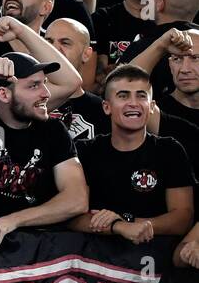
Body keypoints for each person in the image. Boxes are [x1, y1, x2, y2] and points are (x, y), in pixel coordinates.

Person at [0, 49, 87, 250]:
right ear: (4, 94)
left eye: (44, 83)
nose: (45, 93)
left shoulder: (53, 130)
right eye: (34, 86)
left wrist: (13, 220)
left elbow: (76, 200)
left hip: (35, 250)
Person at [68, 65, 195, 243]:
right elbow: (71, 216)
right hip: (94, 255)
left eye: (141, 96)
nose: (133, 103)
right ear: (106, 107)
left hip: (152, 255)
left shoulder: (170, 150)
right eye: (123, 95)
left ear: (151, 107)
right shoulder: (85, 150)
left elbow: (183, 218)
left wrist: (132, 224)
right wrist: (119, 227)